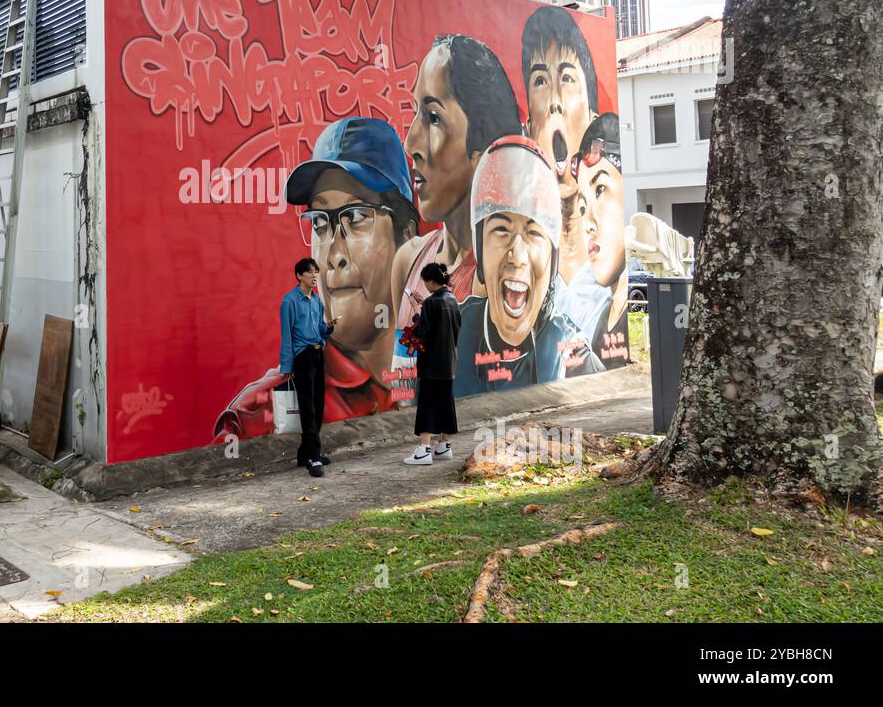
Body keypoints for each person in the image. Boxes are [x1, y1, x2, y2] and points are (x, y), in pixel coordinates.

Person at [212, 118, 419, 441]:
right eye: (320, 224)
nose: (334, 253)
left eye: (356, 217)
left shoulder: (443, 372)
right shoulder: (255, 419)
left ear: (405, 237)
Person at [455, 136, 603, 396]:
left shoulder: (572, 357)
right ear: (479, 248)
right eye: (501, 229)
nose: (518, 256)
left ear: (552, 257)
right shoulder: (452, 335)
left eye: (534, 233)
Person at [394, 35, 524, 314]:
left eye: (433, 117)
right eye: (416, 112)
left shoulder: (500, 277)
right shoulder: (408, 259)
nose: (410, 142)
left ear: (480, 153)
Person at [520, 6, 609, 329]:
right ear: (528, 129)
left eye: (567, 78)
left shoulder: (609, 268)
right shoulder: (519, 265)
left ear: (593, 125)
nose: (555, 100)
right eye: (541, 80)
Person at [573, 114, 630, 367]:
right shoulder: (599, 322)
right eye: (583, 207)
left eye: (600, 190)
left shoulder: (637, 314)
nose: (588, 222)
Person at [280, 258, 336, 477]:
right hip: (302, 357)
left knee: (319, 405)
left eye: (316, 272)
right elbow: (286, 336)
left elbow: (320, 328)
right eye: (310, 272)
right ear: (299, 276)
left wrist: (328, 328)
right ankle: (313, 457)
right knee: (308, 408)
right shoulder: (289, 302)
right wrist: (287, 367)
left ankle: (306, 452)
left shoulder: (316, 300)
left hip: (317, 353)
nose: (314, 276)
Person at [403, 262, 461, 465]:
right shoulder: (452, 299)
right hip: (448, 362)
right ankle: (444, 446)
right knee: (446, 403)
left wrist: (415, 310)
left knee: (427, 404)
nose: (424, 285)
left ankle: (424, 449)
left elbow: (422, 332)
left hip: (431, 364)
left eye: (425, 281)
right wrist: (424, 305)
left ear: (430, 280)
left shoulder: (431, 303)